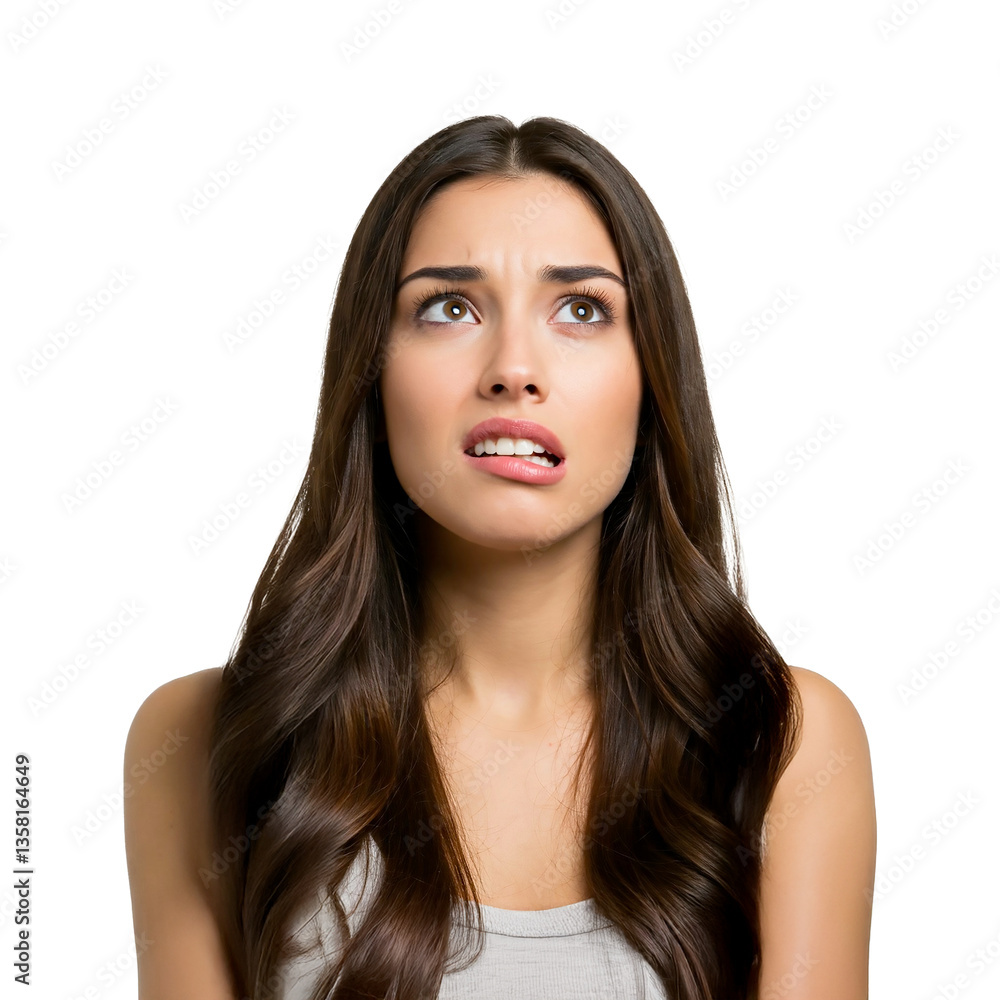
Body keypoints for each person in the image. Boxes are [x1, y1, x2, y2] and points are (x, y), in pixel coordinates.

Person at [123, 115, 876, 1000]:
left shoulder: (781, 740)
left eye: (582, 309)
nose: (514, 368)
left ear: (653, 380)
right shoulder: (203, 737)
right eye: (449, 307)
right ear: (371, 371)